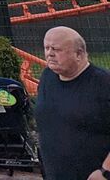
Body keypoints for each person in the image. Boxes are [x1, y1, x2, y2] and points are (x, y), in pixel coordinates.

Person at [35, 25, 110, 180]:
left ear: (79, 54)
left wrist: (105, 172)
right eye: (47, 48)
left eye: (56, 49)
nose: (50, 54)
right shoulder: (47, 77)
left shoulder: (103, 83)